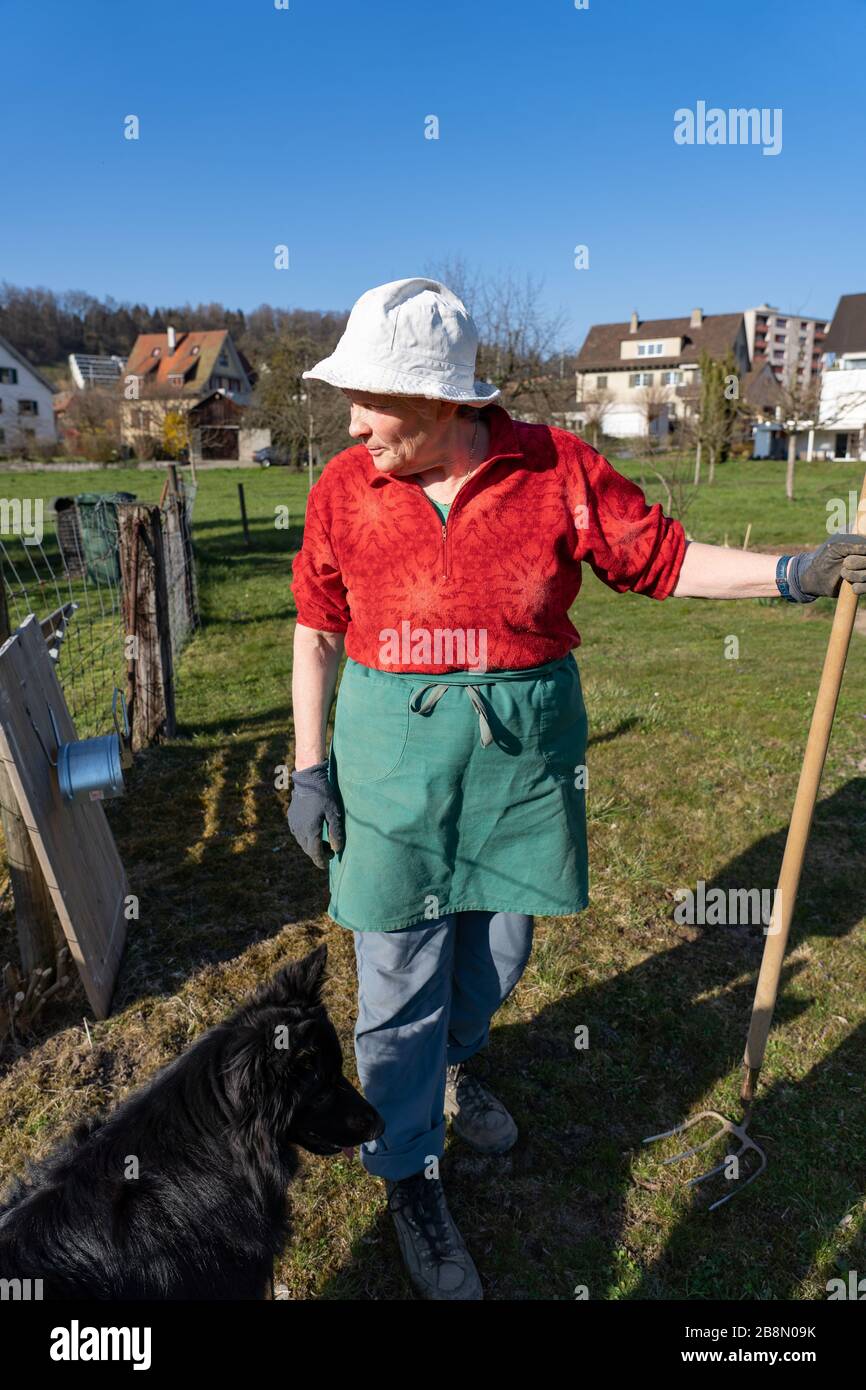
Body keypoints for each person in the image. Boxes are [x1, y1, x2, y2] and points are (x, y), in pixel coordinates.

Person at [287, 277, 866, 1300]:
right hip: (390, 751)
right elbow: (314, 624)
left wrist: (791, 574)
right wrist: (308, 764)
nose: (351, 420)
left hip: (518, 752)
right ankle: (408, 1167)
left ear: (439, 402)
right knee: (397, 974)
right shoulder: (343, 486)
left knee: (498, 952)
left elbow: (661, 558)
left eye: (368, 399)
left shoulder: (551, 469)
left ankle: (455, 1065)